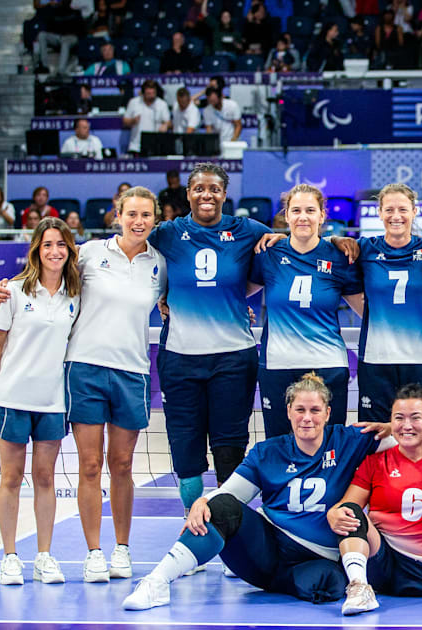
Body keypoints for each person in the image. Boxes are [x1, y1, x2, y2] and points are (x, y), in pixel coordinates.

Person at [121, 374, 422, 609]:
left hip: (320, 556)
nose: (307, 418)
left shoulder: (349, 439)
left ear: (328, 413)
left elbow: (414, 434)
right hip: (267, 550)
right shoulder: (267, 452)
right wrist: (204, 501)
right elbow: (229, 494)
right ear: (288, 412)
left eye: (315, 410)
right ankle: (157, 582)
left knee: (328, 583)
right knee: (221, 508)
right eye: (300, 409)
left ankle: (315, 585)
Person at [0, 187, 166, 583]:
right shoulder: (89, 253)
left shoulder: (160, 264)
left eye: (146, 215)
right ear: (117, 215)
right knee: (89, 465)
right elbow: (46, 272)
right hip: (85, 370)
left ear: (155, 219)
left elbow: (180, 299)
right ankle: (94, 553)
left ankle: (122, 549)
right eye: (131, 214)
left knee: (122, 465)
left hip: (132, 372)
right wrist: (6, 287)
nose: (138, 221)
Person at [145, 163, 279, 518]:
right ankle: (193, 526)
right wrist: (165, 295)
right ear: (188, 194)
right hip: (180, 357)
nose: (207, 195)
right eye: (200, 189)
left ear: (224, 194)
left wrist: (233, 296)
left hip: (232, 358)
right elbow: (129, 250)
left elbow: (289, 241)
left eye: (214, 189)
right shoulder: (167, 233)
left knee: (230, 449)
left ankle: (228, 528)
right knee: (186, 450)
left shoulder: (247, 230)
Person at [0, 217, 82, 585]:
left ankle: (44, 557)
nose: (55, 251)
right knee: (11, 478)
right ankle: (9, 557)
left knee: (45, 478)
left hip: (53, 402)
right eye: (47, 244)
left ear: (70, 250)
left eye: (61, 244)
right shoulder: (13, 291)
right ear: (37, 250)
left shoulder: (76, 295)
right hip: (12, 398)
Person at [327, 384, 422, 615]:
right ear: (390, 423)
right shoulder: (375, 462)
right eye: (399, 418)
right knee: (349, 510)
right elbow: (348, 506)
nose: (407, 425)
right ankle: (359, 587)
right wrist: (334, 512)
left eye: (415, 418)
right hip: (381, 563)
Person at [250, 184, 362, 438]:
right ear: (286, 216)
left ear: (322, 216)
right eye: (296, 210)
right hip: (278, 365)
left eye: (310, 210)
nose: (303, 217)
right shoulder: (268, 254)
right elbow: (233, 292)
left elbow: (367, 311)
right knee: (279, 445)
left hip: (327, 364)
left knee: (330, 445)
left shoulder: (340, 256)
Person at [351, 183, 422, 424]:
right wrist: (334, 238)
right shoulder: (365, 248)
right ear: (379, 213)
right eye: (389, 210)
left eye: (403, 209)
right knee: (375, 434)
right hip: (376, 360)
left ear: (414, 211)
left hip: (421, 359)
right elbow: (326, 252)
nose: (396, 216)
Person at [34, 0, 84, 76]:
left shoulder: (76, 12)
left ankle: (61, 70)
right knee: (41, 35)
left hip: (71, 37)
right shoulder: (54, 12)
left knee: (65, 42)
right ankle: (44, 66)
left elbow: (81, 30)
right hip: (59, 37)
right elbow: (49, 28)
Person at [123, 79, 172, 155]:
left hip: (156, 146)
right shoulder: (134, 102)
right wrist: (133, 121)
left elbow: (169, 123)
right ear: (143, 93)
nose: (151, 96)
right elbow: (125, 121)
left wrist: (166, 125)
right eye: (149, 94)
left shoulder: (162, 104)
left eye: (153, 93)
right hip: (136, 146)